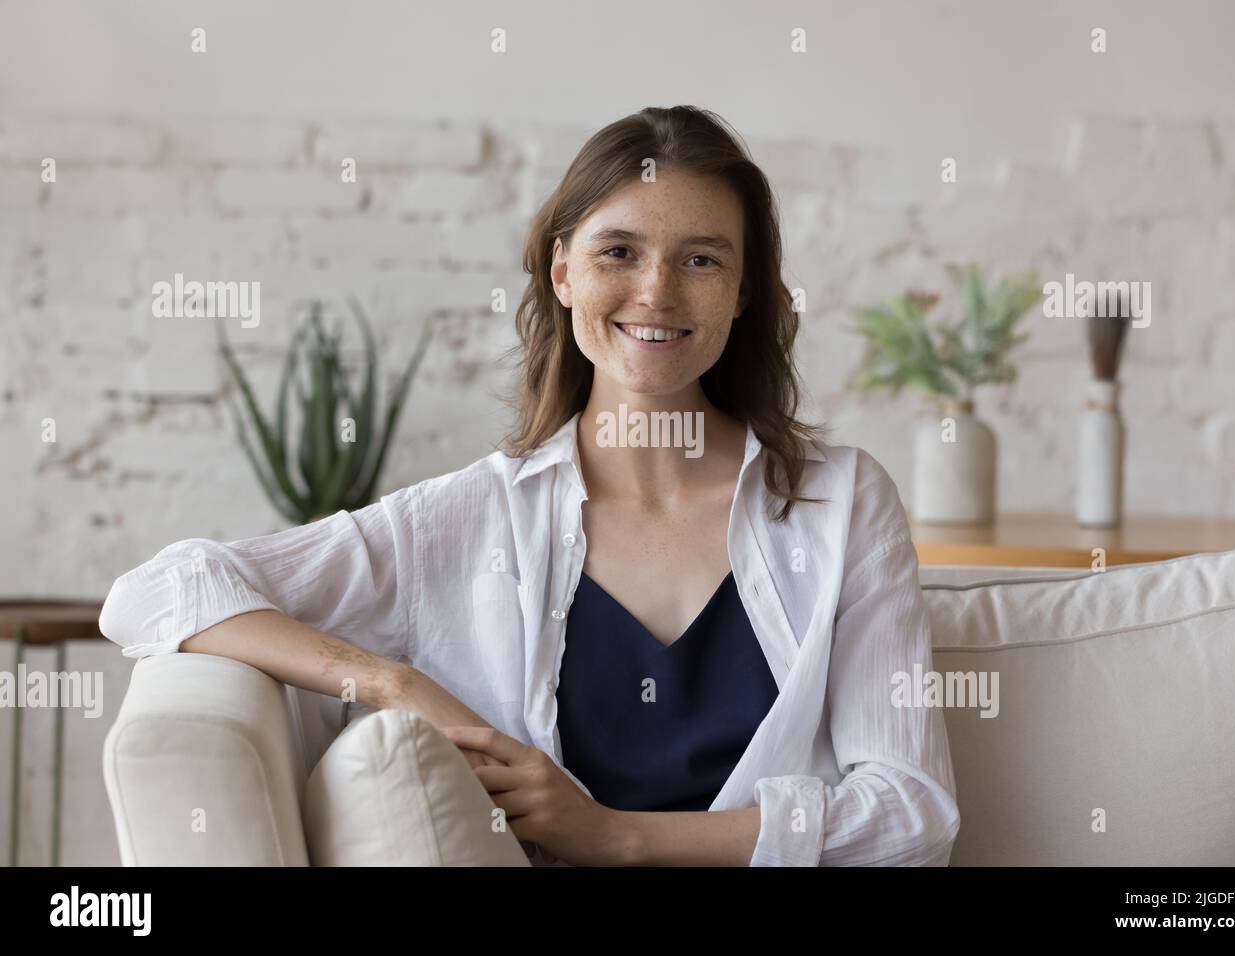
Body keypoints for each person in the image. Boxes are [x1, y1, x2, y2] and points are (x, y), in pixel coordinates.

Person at [98, 105, 960, 867]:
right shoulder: (469, 520)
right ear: (563, 273)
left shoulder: (841, 503)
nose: (656, 291)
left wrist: (614, 837)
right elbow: (158, 592)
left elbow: (912, 816)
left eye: (701, 259)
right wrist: (397, 685)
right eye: (618, 252)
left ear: (741, 294)